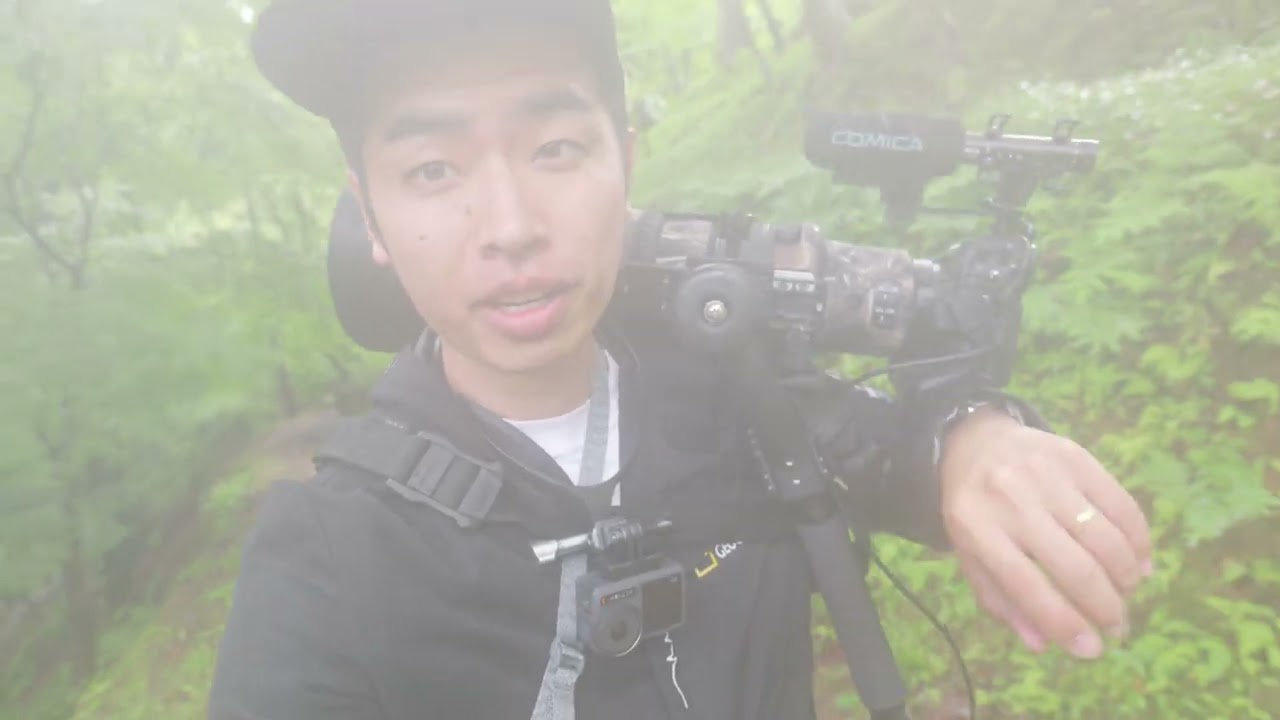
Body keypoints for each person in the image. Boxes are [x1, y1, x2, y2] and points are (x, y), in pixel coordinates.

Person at [208, 1, 1154, 718]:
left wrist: (976, 438)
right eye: (431, 171)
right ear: (367, 213)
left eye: (556, 147)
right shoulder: (330, 558)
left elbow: (901, 451)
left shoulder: (736, 393)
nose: (509, 228)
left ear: (625, 157)